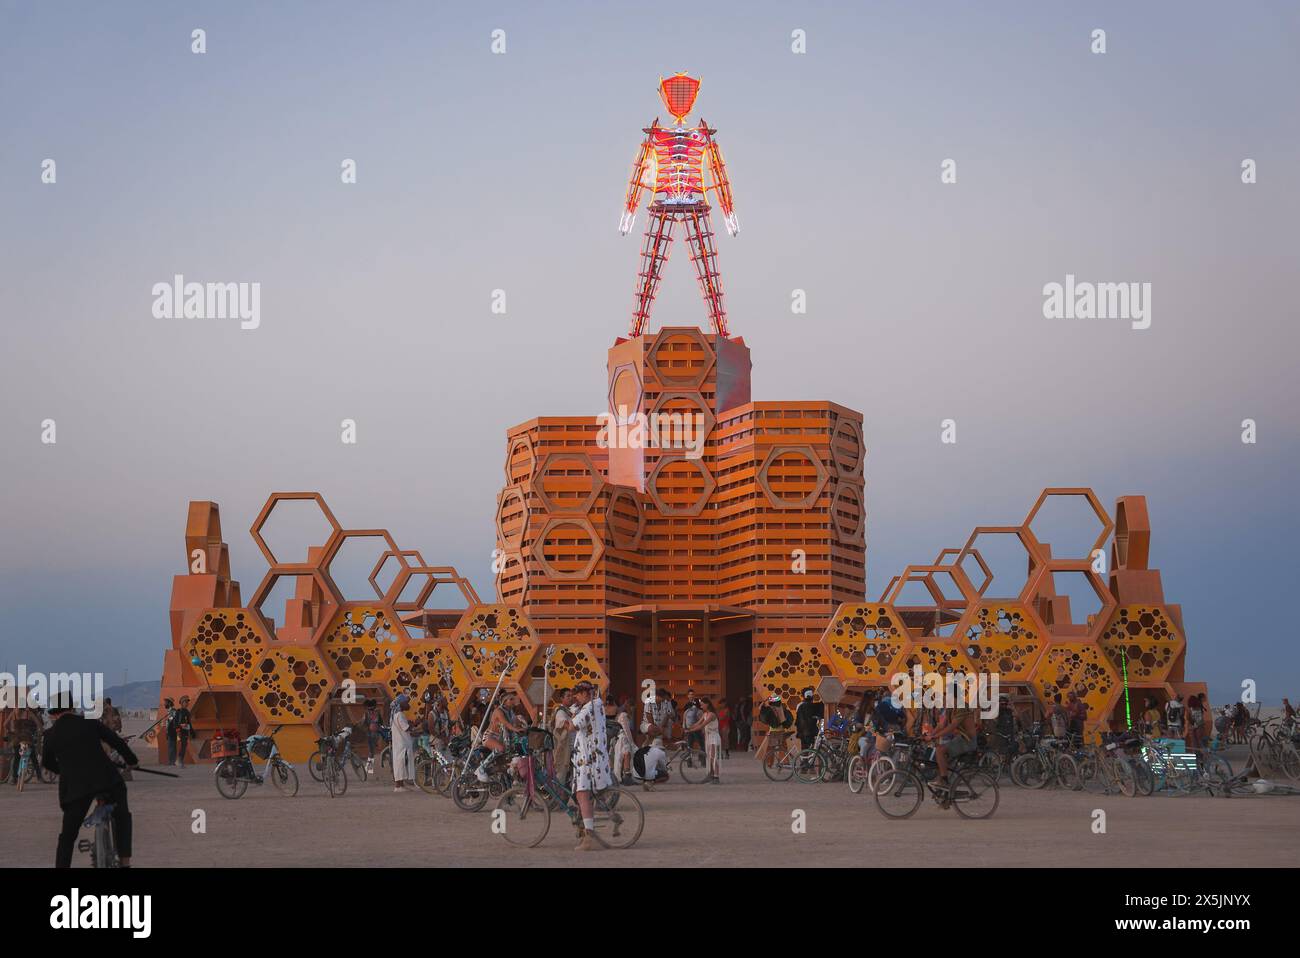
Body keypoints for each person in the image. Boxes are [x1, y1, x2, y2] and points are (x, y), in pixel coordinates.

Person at [42, 694, 138, 868]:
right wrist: (132, 761)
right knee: (122, 816)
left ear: (54, 713)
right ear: (72, 708)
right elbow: (117, 743)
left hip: (76, 788)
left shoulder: (50, 735)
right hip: (106, 779)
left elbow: (47, 763)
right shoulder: (90, 723)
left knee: (67, 836)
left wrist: (66, 771)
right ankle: (125, 862)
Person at [569, 681, 612, 852]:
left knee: (582, 795)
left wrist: (565, 719)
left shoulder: (589, 708)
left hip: (588, 759)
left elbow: (572, 726)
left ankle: (589, 837)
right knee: (585, 795)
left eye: (578, 694)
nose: (576, 698)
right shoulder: (597, 705)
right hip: (593, 756)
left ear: (585, 694)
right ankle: (585, 827)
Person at [928, 703, 977, 788]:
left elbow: (952, 726)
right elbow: (941, 724)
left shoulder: (961, 707)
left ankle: (944, 781)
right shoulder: (950, 707)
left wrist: (935, 736)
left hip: (968, 740)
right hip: (960, 739)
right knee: (941, 756)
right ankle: (945, 787)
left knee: (940, 750)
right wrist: (930, 735)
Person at [685, 697, 723, 784]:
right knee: (709, 757)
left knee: (713, 757)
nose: (701, 706)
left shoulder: (711, 715)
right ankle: (711, 775)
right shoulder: (705, 714)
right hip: (709, 737)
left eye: (702, 704)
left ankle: (716, 777)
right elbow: (697, 723)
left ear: (707, 704)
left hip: (714, 737)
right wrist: (688, 727)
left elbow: (702, 726)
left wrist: (690, 730)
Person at [167, 696, 194, 767]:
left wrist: (192, 732)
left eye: (187, 702)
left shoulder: (187, 712)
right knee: (183, 746)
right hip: (181, 732)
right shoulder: (179, 712)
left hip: (185, 731)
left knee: (184, 746)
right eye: (185, 702)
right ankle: (179, 761)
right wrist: (178, 731)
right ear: (181, 703)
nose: (187, 703)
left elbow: (189, 723)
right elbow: (175, 723)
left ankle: (179, 760)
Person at [795, 687, 822, 752]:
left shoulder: (799, 705)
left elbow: (798, 719)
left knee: (805, 749)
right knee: (814, 749)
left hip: (803, 731)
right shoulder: (814, 706)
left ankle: (805, 761)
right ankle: (815, 761)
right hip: (811, 731)